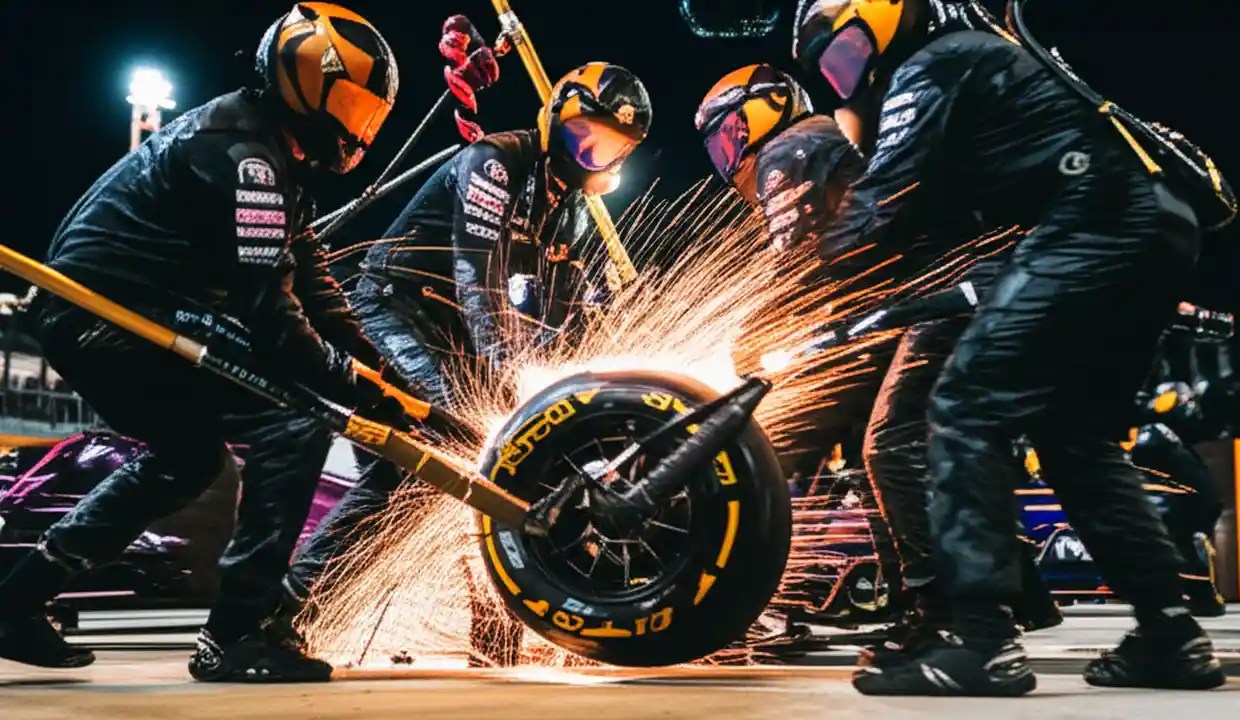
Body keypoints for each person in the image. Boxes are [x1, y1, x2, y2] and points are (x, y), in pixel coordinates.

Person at [794, 0, 1224, 695]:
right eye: (836, 73)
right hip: (1161, 224)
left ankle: (982, 642)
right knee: (1075, 436)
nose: (852, 78)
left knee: (963, 409)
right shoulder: (983, 55)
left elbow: (880, 206)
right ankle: (1170, 635)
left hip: (1092, 215)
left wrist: (793, 289)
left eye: (847, 53)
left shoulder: (932, 64)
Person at [0, 2, 402, 683]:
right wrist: (357, 386)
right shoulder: (246, 157)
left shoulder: (273, 154)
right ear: (305, 82)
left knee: (186, 458)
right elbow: (274, 320)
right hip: (113, 316)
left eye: (369, 116)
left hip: (113, 316)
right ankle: (237, 633)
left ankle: (16, 599)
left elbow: (319, 295)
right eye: (351, 108)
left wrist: (390, 380)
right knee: (296, 417)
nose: (358, 131)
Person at [277, 62, 651, 633]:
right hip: (393, 309)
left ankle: (489, 621)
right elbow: (477, 278)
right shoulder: (495, 162)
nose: (592, 156)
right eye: (584, 137)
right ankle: (294, 601)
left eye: (609, 148)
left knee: (459, 469)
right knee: (454, 448)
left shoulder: (572, 210)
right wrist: (509, 371)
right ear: (554, 119)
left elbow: (561, 314)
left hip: (455, 339)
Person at [695, 62, 1057, 647]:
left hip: (946, 297)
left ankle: (944, 613)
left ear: (759, 114)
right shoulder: (819, 141)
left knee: (890, 445)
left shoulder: (788, 150)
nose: (727, 154)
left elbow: (796, 264)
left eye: (729, 135)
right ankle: (997, 592)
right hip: (950, 295)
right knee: (878, 449)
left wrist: (747, 337)